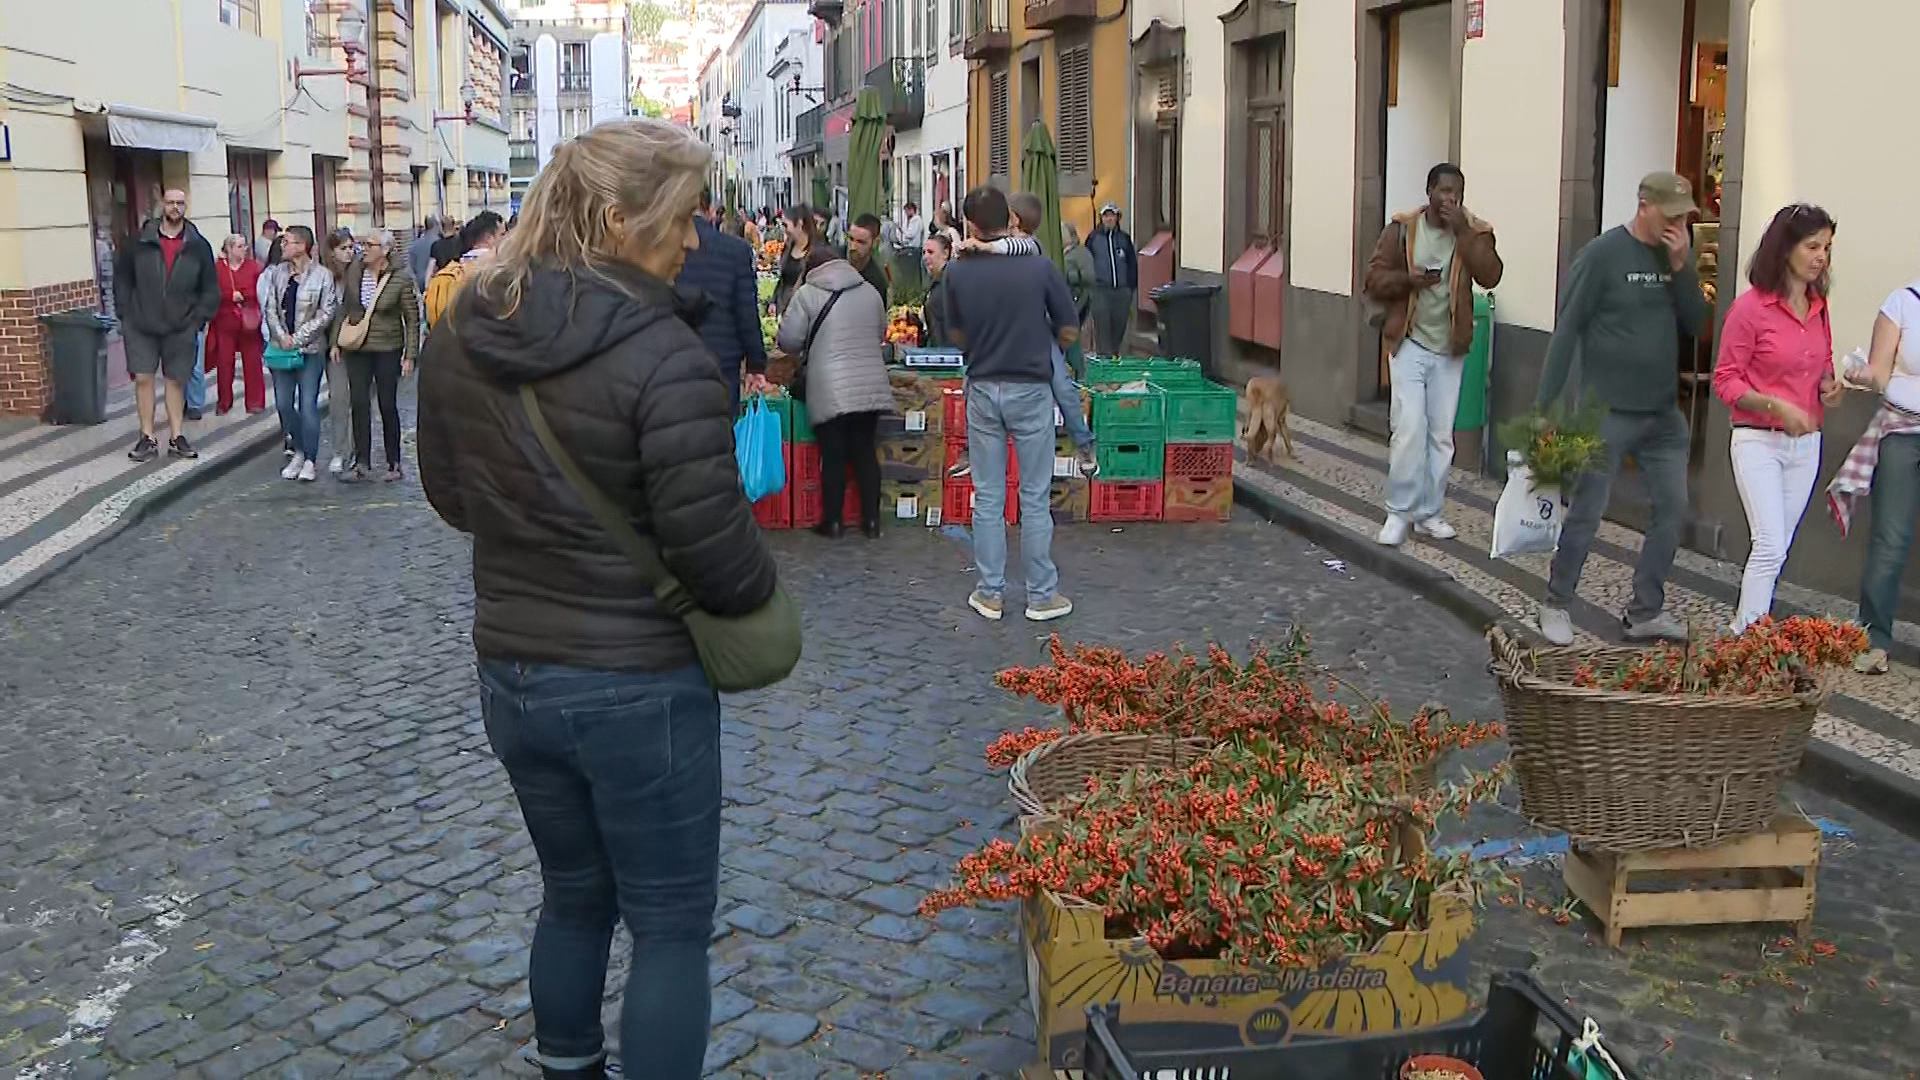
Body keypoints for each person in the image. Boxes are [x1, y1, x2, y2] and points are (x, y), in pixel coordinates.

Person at [416, 119, 779, 1080]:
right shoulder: (664, 353)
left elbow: (451, 496)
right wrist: (755, 583)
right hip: (640, 681)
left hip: (515, 673)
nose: (695, 239)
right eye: (683, 216)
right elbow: (722, 562)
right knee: (668, 924)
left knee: (573, 896)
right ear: (619, 219)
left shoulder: (463, 332)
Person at [1534, 172, 1709, 645]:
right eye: (1671, 215)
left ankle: (1644, 611)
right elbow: (1567, 329)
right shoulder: (1602, 255)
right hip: (1605, 411)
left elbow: (1696, 323)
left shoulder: (1676, 255)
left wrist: (1682, 267)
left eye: (1684, 217)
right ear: (1644, 205)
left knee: (1672, 508)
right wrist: (1544, 406)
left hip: (1663, 413)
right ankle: (1556, 602)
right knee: (1588, 509)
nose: (1678, 224)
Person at [944, 185, 1079, 622]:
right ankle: (1042, 595)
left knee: (988, 495)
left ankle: (990, 593)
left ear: (971, 224)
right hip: (1031, 385)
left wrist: (979, 347)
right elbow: (1069, 327)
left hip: (983, 385)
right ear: (1009, 219)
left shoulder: (957, 272)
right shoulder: (1039, 266)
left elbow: (955, 334)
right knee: (1035, 496)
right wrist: (1046, 347)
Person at [1711, 204, 1841, 635]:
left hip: (1805, 444)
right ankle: (1746, 636)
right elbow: (1726, 380)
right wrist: (1776, 406)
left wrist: (1828, 386)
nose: (1821, 257)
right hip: (1758, 440)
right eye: (1812, 246)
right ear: (1785, 248)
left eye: (1827, 247)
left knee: (1779, 547)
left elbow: (1822, 362)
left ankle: (1750, 634)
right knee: (1768, 543)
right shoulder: (1749, 310)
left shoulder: (1818, 307)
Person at [1363, 163, 1505, 546]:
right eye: (1443, 191)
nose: (1450, 199)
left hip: (1450, 348)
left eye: (1456, 192)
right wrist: (1409, 281)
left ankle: (1429, 513)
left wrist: (1463, 232)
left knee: (1442, 435)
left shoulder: (1476, 231)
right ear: (1429, 192)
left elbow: (1491, 275)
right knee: (1409, 428)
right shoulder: (1402, 229)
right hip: (1408, 341)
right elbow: (1373, 278)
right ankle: (1398, 513)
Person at [953, 193, 1097, 476]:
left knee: (1062, 385)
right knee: (971, 381)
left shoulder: (1029, 246)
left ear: (1014, 218)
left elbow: (1016, 246)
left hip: (1035, 331)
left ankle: (1083, 442)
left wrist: (983, 247)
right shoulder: (1002, 246)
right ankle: (971, 447)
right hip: (1010, 329)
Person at [1829, 261, 1920, 674]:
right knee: (1891, 538)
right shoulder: (1903, 302)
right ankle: (1874, 639)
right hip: (1901, 430)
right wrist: (1859, 372)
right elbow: (1880, 374)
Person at [776, 245, 893, 538]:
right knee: (865, 451)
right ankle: (872, 522)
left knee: (834, 454)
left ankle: (834, 522)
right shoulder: (869, 291)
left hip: (830, 383)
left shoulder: (807, 294)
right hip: (870, 381)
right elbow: (881, 332)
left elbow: (789, 341)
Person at [115, 188, 219, 462]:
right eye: (170, 202)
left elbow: (210, 287)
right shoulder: (139, 242)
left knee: (176, 380)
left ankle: (176, 436)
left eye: (180, 203)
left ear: (186, 206)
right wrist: (125, 312)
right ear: (162, 205)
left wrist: (198, 319)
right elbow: (122, 279)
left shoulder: (198, 245)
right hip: (141, 323)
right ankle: (147, 437)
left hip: (181, 325)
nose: (175, 207)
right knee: (143, 378)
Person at [331, 229, 420, 483]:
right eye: (363, 244)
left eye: (370, 245)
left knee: (387, 404)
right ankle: (361, 462)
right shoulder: (355, 271)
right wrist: (336, 342)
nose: (363, 250)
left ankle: (394, 462)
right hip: (357, 348)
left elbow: (412, 318)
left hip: (387, 348)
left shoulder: (400, 278)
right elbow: (344, 308)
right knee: (359, 402)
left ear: (385, 250)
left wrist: (410, 355)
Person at [259, 225, 339, 482]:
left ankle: (310, 459)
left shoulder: (323, 276)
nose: (282, 246)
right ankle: (299, 451)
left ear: (303, 246)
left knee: (307, 405)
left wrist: (298, 338)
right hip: (282, 348)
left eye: (288, 242)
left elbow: (326, 313)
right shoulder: (277, 273)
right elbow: (270, 307)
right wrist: (282, 336)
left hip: (310, 350)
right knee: (283, 404)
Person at [679, 188, 768, 412]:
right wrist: (755, 363)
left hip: (673, 360)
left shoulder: (659, 249)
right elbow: (746, 311)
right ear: (709, 210)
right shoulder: (736, 250)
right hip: (722, 360)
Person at [207, 234, 267, 415]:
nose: (244, 249)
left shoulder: (253, 267)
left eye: (245, 245)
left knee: (253, 362)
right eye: (240, 246)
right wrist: (228, 296)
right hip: (225, 320)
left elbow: (261, 290)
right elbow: (211, 291)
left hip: (249, 321)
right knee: (224, 363)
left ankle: (255, 402)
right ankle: (224, 402)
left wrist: (244, 295)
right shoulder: (218, 268)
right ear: (229, 249)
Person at [423, 210, 504, 328]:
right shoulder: (497, 269)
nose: (506, 238)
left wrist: (427, 288)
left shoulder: (454, 265)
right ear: (488, 238)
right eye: (502, 234)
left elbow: (430, 269)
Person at [322, 229, 359, 474]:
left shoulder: (359, 272)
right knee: (338, 399)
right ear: (332, 252)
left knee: (358, 399)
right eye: (343, 248)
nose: (349, 253)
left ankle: (357, 449)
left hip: (357, 342)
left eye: (351, 248)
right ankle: (340, 450)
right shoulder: (325, 276)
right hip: (331, 346)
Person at [1087, 201, 1138, 355]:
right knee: (1103, 329)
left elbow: (1132, 263)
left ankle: (1114, 358)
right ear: (1101, 218)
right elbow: (1087, 262)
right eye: (1106, 216)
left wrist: (1130, 287)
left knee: (1118, 328)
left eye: (1112, 216)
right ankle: (1104, 359)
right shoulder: (1093, 238)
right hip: (1100, 291)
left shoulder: (1124, 239)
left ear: (1117, 218)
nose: (1109, 219)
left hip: (1122, 291)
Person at [775, 204, 817, 314]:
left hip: (805, 310)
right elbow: (782, 279)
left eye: (785, 225)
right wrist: (773, 302)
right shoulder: (788, 247)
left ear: (799, 223)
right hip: (783, 307)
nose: (785, 230)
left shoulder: (815, 253)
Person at [846, 213, 890, 302]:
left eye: (861, 242)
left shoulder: (876, 282)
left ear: (875, 243)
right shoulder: (833, 260)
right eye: (851, 239)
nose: (853, 247)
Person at [1062, 222, 1096, 330]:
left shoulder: (1081, 253)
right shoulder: (1059, 252)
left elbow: (1089, 277)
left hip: (1079, 300)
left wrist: (1071, 277)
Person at [922, 232, 952, 347]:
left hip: (949, 349)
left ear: (945, 253)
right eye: (924, 252)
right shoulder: (935, 280)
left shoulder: (950, 281)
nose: (926, 257)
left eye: (931, 252)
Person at [892, 201, 927, 296]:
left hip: (913, 249)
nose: (906, 214)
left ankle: (912, 290)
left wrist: (901, 229)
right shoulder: (913, 220)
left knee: (911, 271)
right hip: (911, 248)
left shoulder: (916, 220)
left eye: (907, 211)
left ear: (911, 210)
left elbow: (910, 234)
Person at [413, 215, 457, 284]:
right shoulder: (458, 242)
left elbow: (411, 267)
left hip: (431, 281)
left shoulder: (416, 244)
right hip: (452, 280)